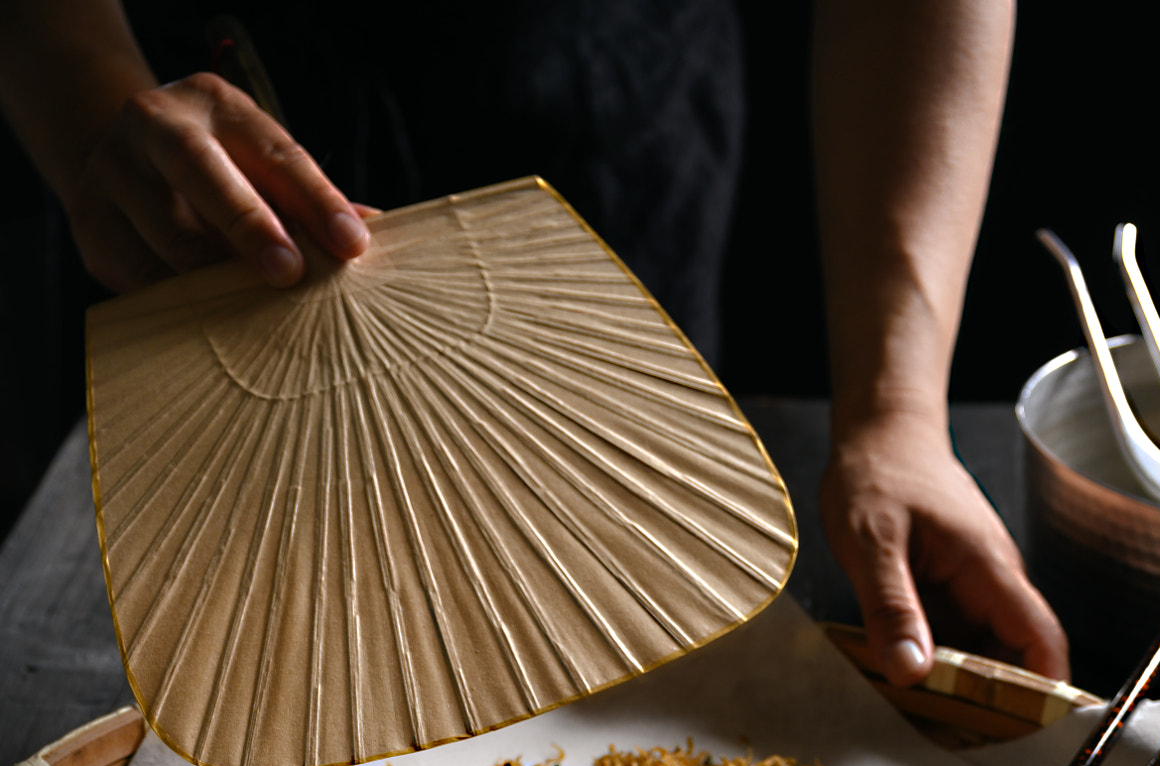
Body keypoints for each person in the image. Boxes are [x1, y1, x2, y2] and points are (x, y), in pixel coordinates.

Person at [0, 0, 1068, 686]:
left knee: (604, 612)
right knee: (221, 647)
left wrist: (896, 415)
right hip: (186, 126)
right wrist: (90, 103)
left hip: (593, 93)